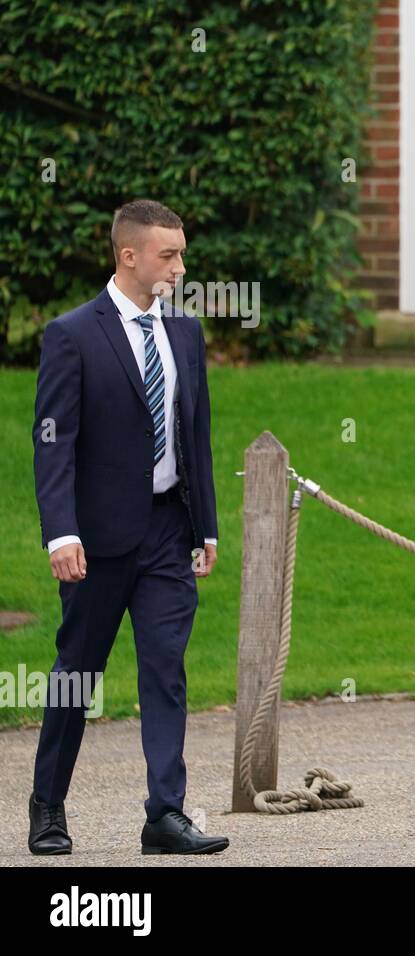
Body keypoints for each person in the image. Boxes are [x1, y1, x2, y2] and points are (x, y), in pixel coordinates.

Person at [29, 199, 228, 855]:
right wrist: (61, 532)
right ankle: (48, 807)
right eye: (169, 255)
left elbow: (195, 434)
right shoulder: (73, 335)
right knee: (76, 677)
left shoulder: (185, 333)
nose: (180, 266)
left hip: (168, 533)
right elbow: (53, 442)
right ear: (129, 256)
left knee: (166, 672)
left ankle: (164, 816)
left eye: (182, 253)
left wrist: (207, 527)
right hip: (95, 540)